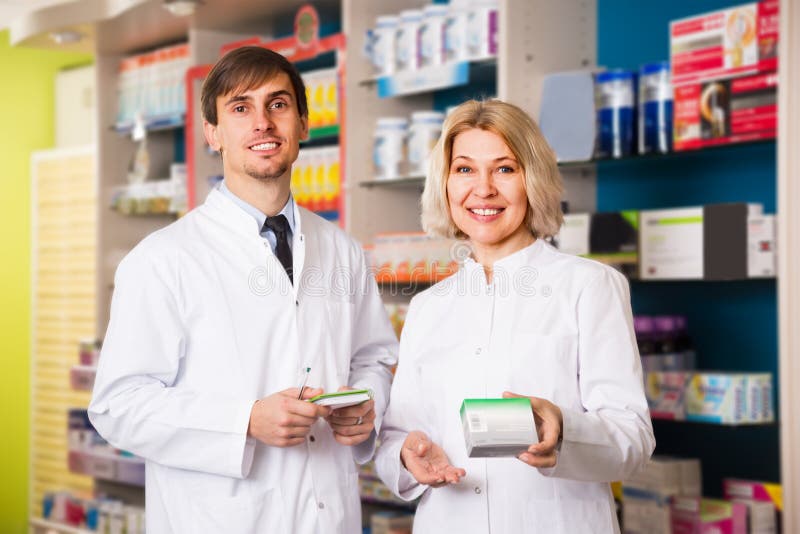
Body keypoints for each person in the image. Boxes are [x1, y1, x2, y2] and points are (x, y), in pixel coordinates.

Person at [88, 46, 398, 533]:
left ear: (303, 123)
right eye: (240, 108)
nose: (262, 123)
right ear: (213, 133)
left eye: (278, 104)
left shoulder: (343, 251)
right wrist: (246, 420)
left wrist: (367, 406)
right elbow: (118, 405)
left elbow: (373, 358)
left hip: (329, 516)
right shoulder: (162, 259)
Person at [374, 99, 655, 533]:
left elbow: (633, 438)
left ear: (533, 180)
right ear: (445, 184)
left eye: (504, 169)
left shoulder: (588, 286)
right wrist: (407, 455)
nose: (483, 189)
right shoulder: (428, 307)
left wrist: (563, 432)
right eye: (464, 169)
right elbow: (395, 435)